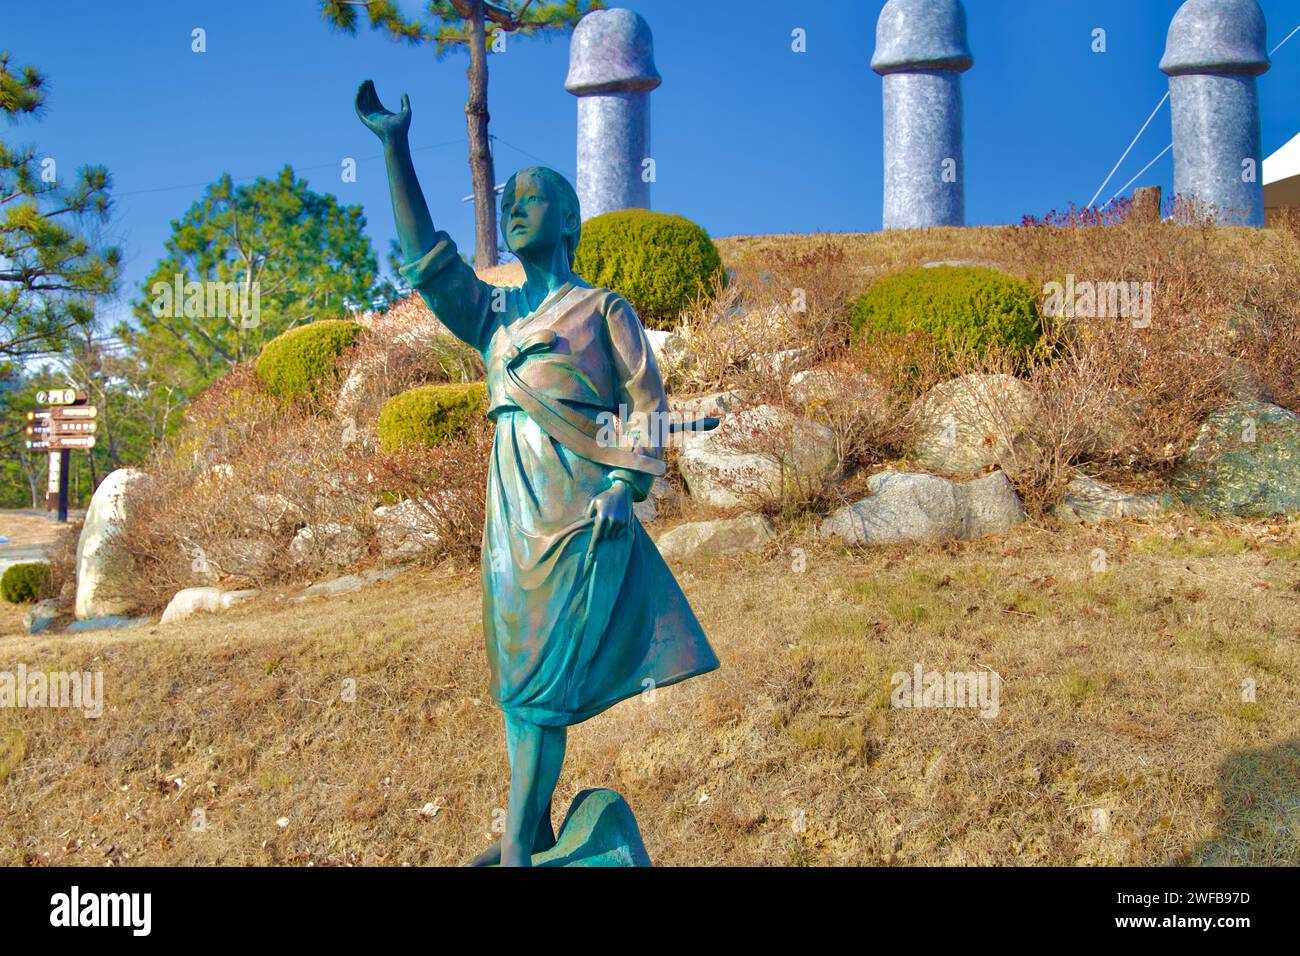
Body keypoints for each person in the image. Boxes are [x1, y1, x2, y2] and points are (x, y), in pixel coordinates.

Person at [356, 81, 719, 867]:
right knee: (519, 684)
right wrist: (395, 147)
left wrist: (626, 487)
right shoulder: (496, 320)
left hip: (580, 518)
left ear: (567, 218)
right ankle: (534, 833)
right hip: (507, 527)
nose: (513, 207)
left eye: (531, 198)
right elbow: (427, 260)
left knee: (543, 688)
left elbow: (650, 404)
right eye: (507, 201)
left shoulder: (602, 311)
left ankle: (520, 847)